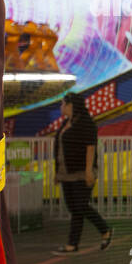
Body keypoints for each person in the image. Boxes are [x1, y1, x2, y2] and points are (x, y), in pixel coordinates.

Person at [52, 93, 112, 254]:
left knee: (80, 206)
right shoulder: (66, 123)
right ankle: (103, 231)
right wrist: (57, 172)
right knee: (74, 207)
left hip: (81, 172)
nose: (61, 107)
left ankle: (75, 243)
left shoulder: (86, 123)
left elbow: (90, 147)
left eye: (63, 104)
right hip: (66, 173)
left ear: (71, 105)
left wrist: (88, 171)